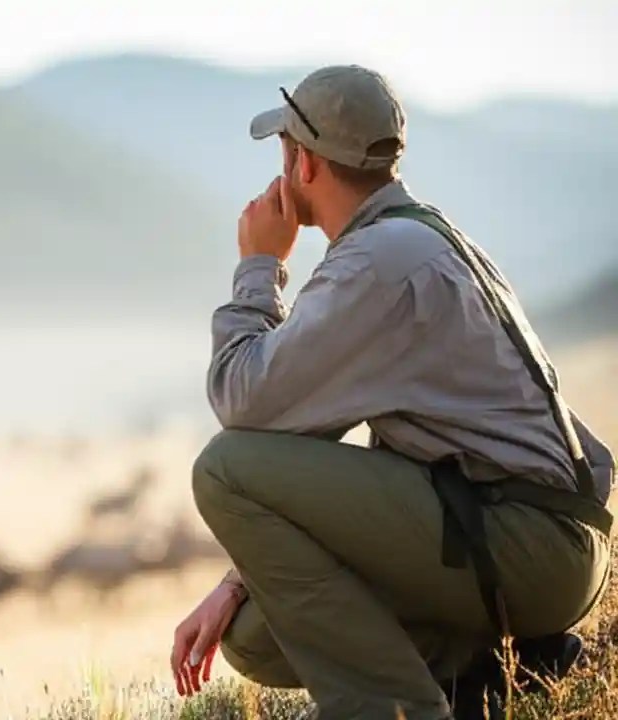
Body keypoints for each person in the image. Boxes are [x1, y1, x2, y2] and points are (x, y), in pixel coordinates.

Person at [168, 65, 613, 720]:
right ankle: (491, 670)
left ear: (307, 164)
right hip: (537, 542)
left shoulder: (379, 265)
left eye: (286, 149)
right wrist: (238, 582)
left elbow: (244, 403)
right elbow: (298, 436)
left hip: (525, 546)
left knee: (221, 470)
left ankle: (387, 709)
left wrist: (259, 265)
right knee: (257, 635)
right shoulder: (415, 237)